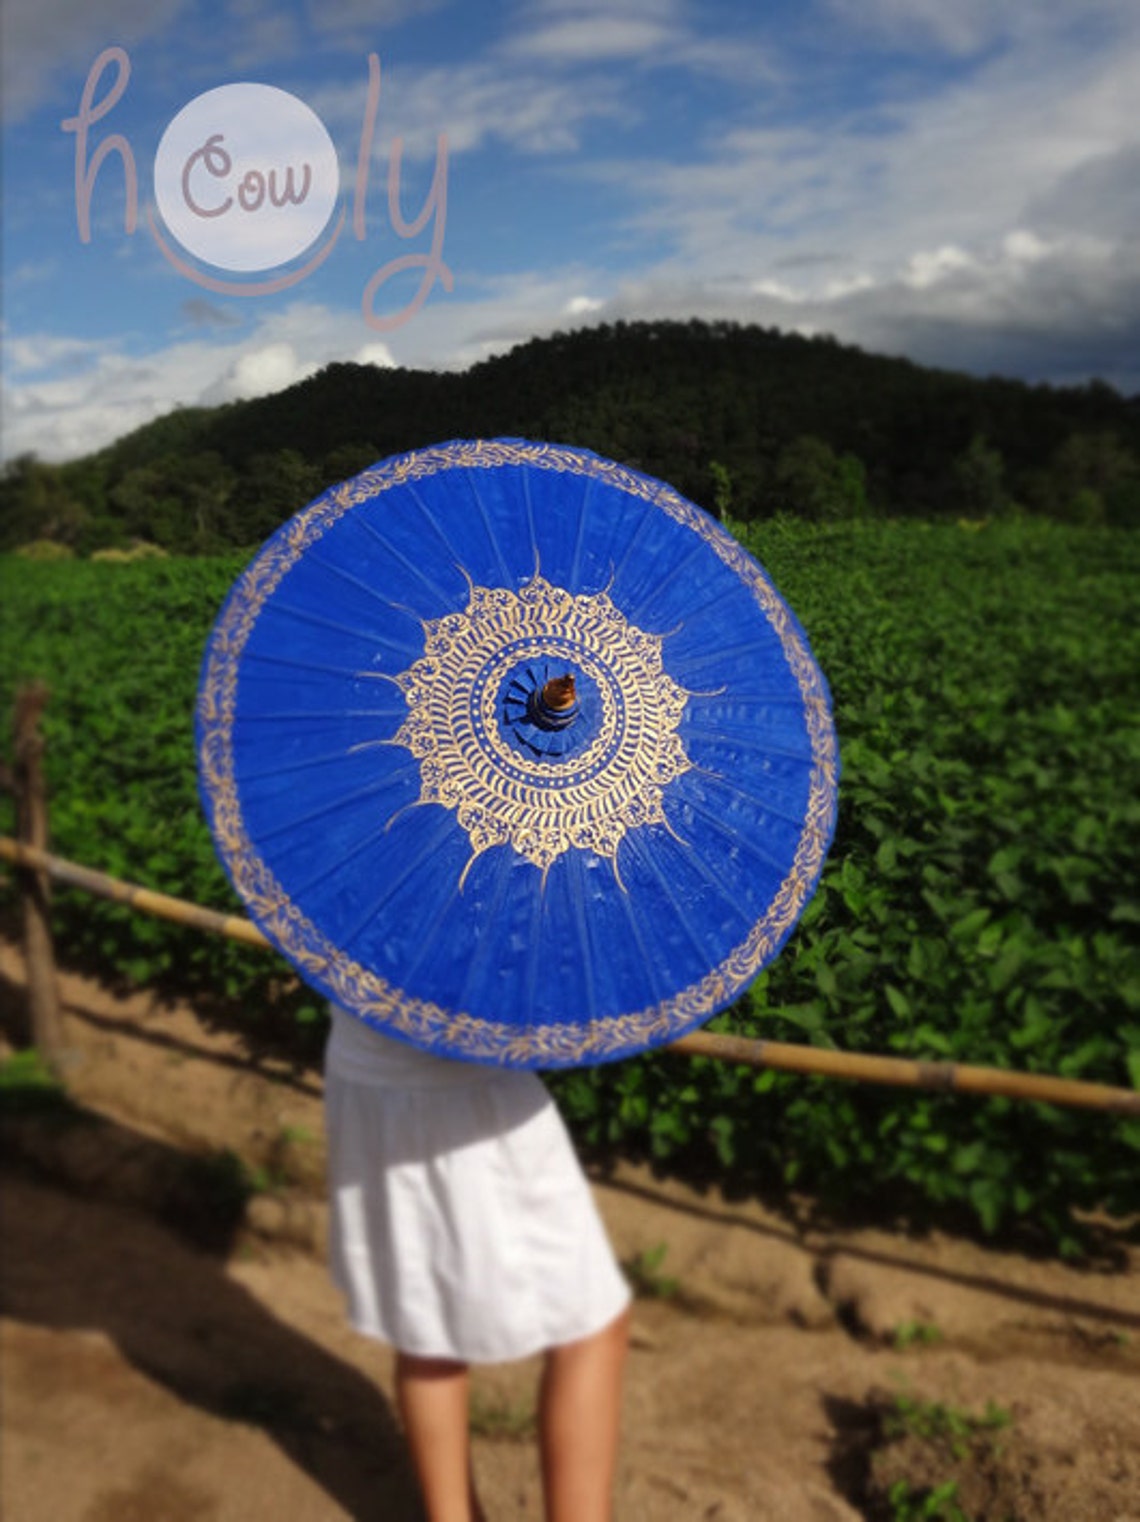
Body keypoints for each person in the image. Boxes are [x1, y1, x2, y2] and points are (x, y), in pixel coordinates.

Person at [324, 1002, 632, 1522]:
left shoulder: (355, 943)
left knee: (427, 1329)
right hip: (465, 1101)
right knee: (591, 1324)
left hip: (366, 1075)